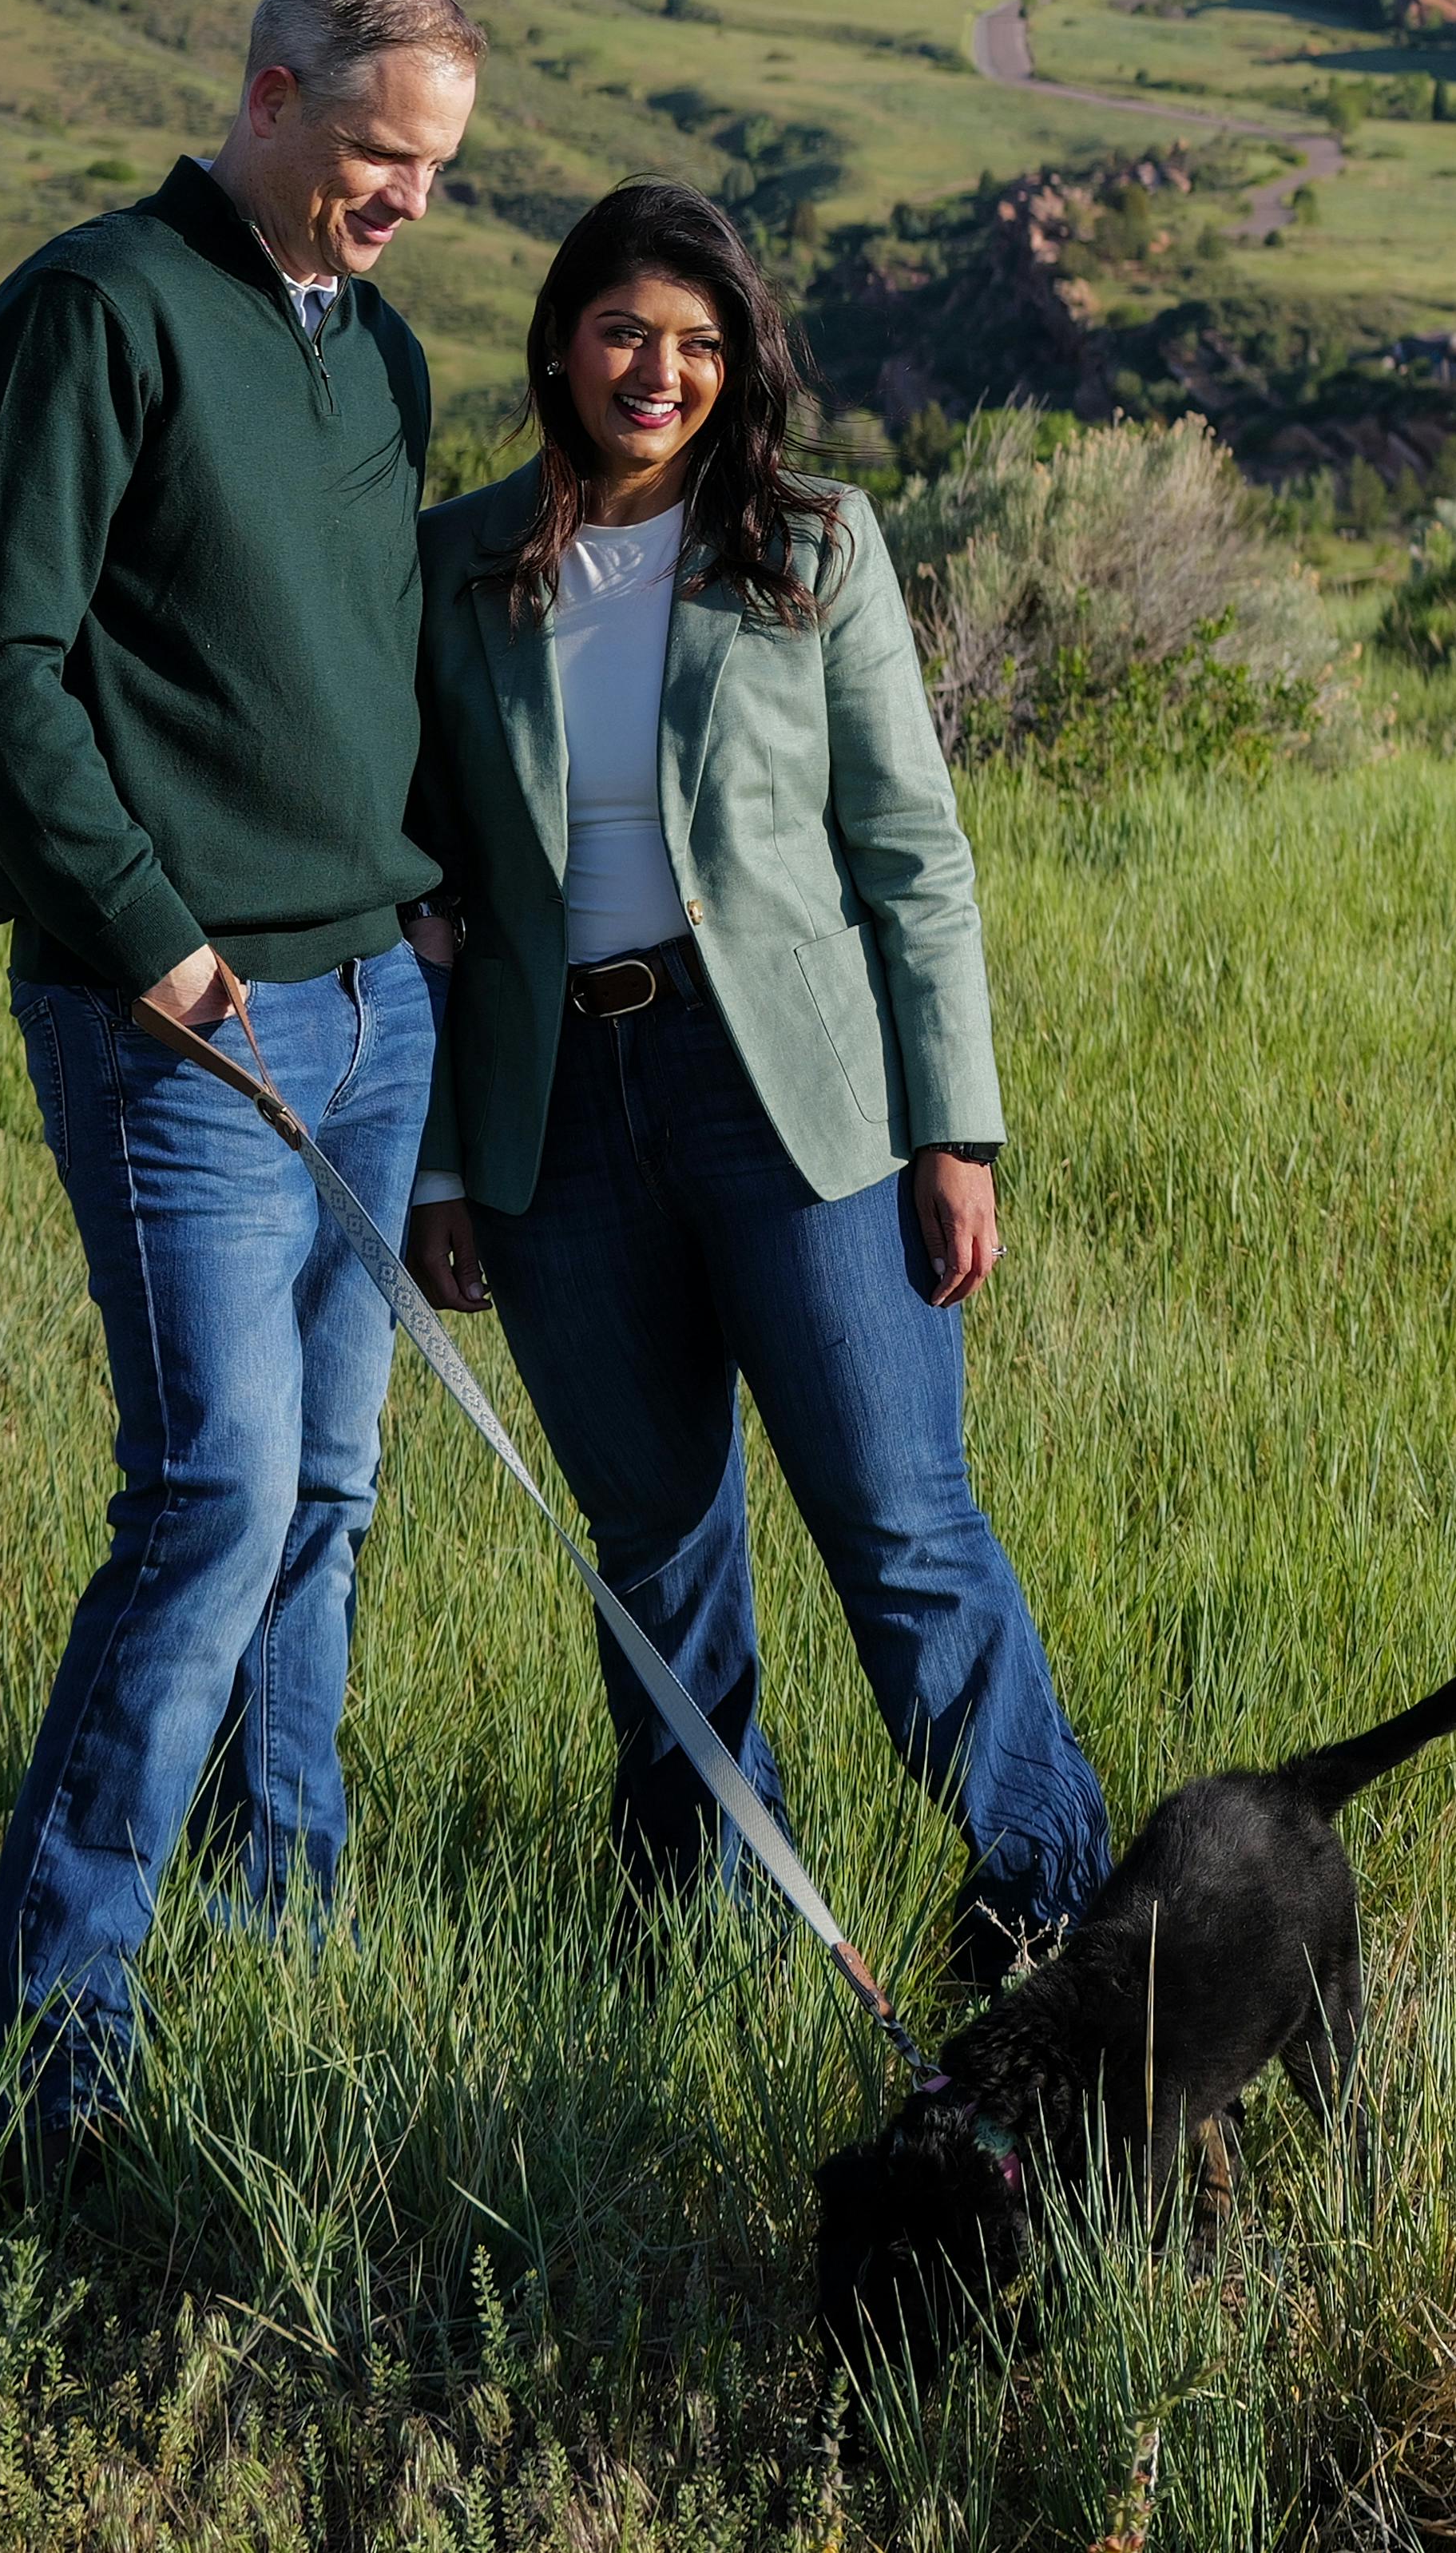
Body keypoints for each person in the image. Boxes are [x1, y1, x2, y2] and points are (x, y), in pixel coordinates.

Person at [399, 182, 1106, 1978]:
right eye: (631, 331)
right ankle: (708, 1929)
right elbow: (423, 889)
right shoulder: (458, 565)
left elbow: (912, 853)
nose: (663, 371)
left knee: (900, 1526)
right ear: (563, 338)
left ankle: (1052, 1903)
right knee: (651, 1556)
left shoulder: (813, 544)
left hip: (792, 1097)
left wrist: (956, 1128)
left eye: (703, 345)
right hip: (554, 1109)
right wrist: (436, 1169)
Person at [0, 0, 481, 2142]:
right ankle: (58, 2049)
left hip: (376, 1000)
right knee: (216, 1494)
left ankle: (290, 1919)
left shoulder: (378, 346)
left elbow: (368, 653)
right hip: (186, 1024)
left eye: (433, 168)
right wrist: (146, 930)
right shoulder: (96, 309)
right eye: (371, 152)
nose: (402, 198)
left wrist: (420, 882)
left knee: (331, 1490)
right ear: (262, 96)